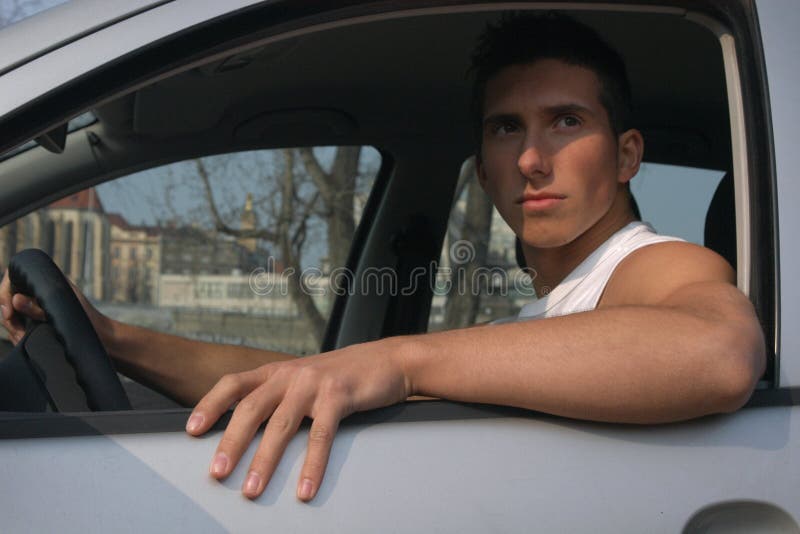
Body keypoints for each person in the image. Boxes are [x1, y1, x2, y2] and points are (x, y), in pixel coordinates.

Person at [0, 13, 765, 503]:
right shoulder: (550, 320)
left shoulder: (646, 266)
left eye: (566, 121)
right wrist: (116, 341)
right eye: (506, 129)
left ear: (628, 154)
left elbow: (718, 348)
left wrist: (401, 360)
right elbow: (298, 382)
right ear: (484, 162)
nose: (533, 158)